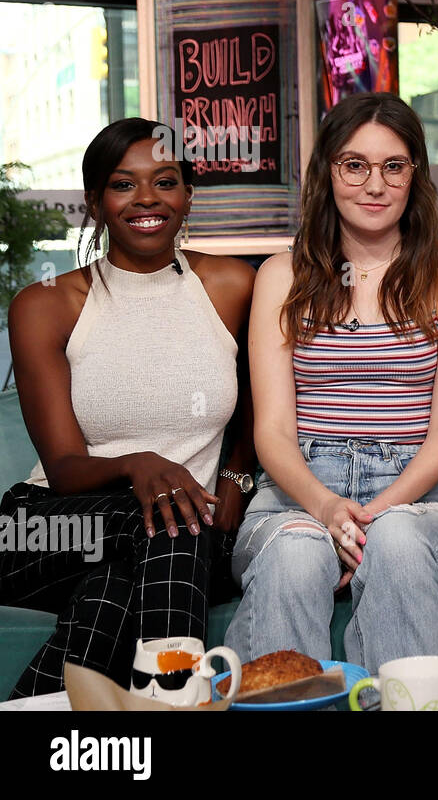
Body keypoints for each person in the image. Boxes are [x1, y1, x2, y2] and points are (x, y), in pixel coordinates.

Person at [224, 92, 438, 675]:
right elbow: (271, 432)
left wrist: (368, 519)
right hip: (297, 493)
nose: (375, 184)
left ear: (415, 174)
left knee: (393, 539)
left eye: (394, 166)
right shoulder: (281, 275)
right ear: (328, 173)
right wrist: (327, 510)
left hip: (423, 496)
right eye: (355, 165)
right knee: (294, 551)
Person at [2, 118, 256, 698]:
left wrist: (238, 478)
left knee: (107, 599)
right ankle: (178, 703)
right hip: (49, 526)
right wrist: (137, 463)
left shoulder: (233, 285)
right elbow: (64, 468)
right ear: (95, 201)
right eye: (123, 184)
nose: (147, 198)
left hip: (187, 536)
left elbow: (252, 412)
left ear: (187, 195)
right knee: (173, 521)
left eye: (165, 181)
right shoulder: (46, 304)